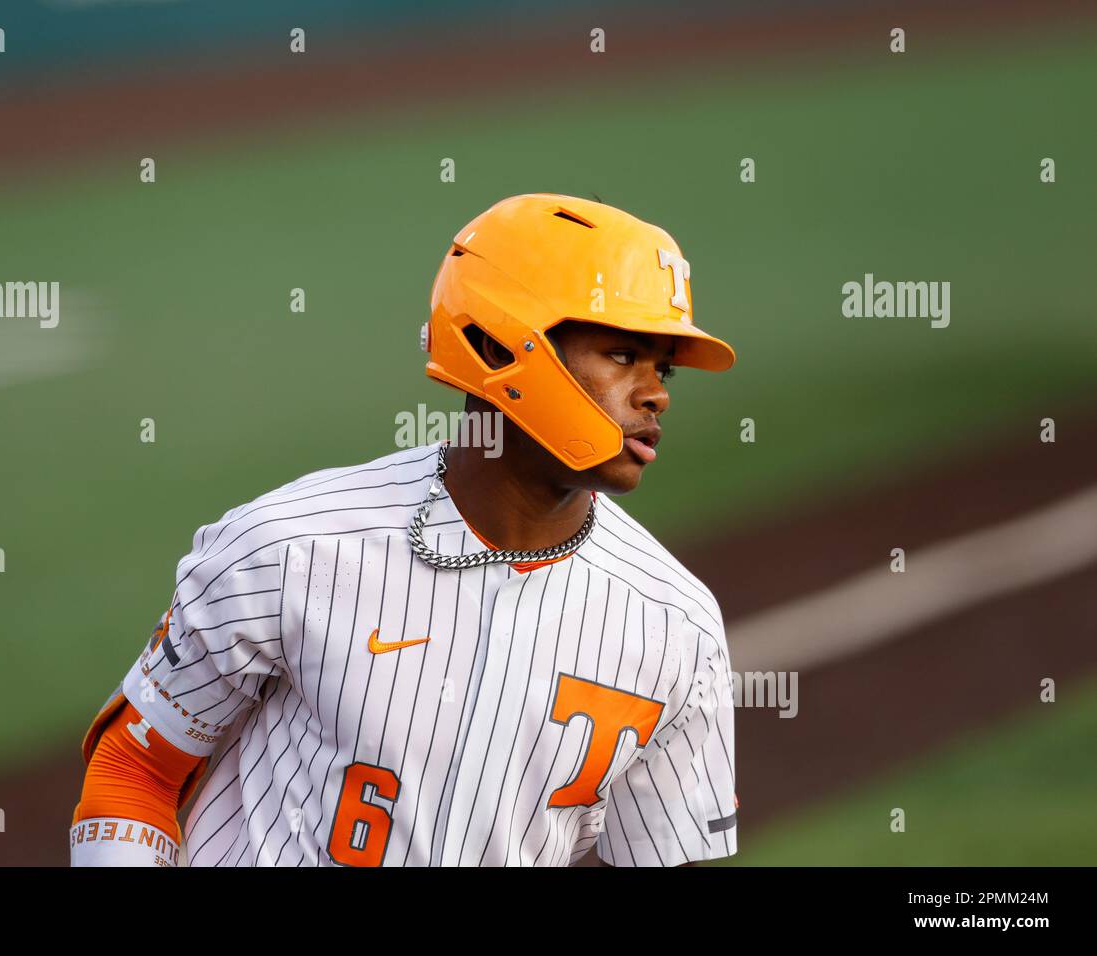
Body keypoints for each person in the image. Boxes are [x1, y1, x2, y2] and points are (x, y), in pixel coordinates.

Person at [69, 192, 738, 867]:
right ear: (497, 340)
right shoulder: (288, 547)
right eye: (623, 355)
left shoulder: (677, 624)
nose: (657, 393)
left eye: (664, 368)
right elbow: (134, 771)